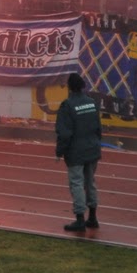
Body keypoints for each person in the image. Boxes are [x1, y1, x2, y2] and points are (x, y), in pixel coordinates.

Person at [55, 72, 102, 233]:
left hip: (76, 151)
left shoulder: (67, 105)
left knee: (76, 183)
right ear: (83, 86)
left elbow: (64, 133)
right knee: (90, 182)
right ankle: (93, 217)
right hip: (92, 147)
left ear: (69, 87)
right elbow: (98, 127)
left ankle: (80, 218)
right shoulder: (92, 102)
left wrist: (59, 151)